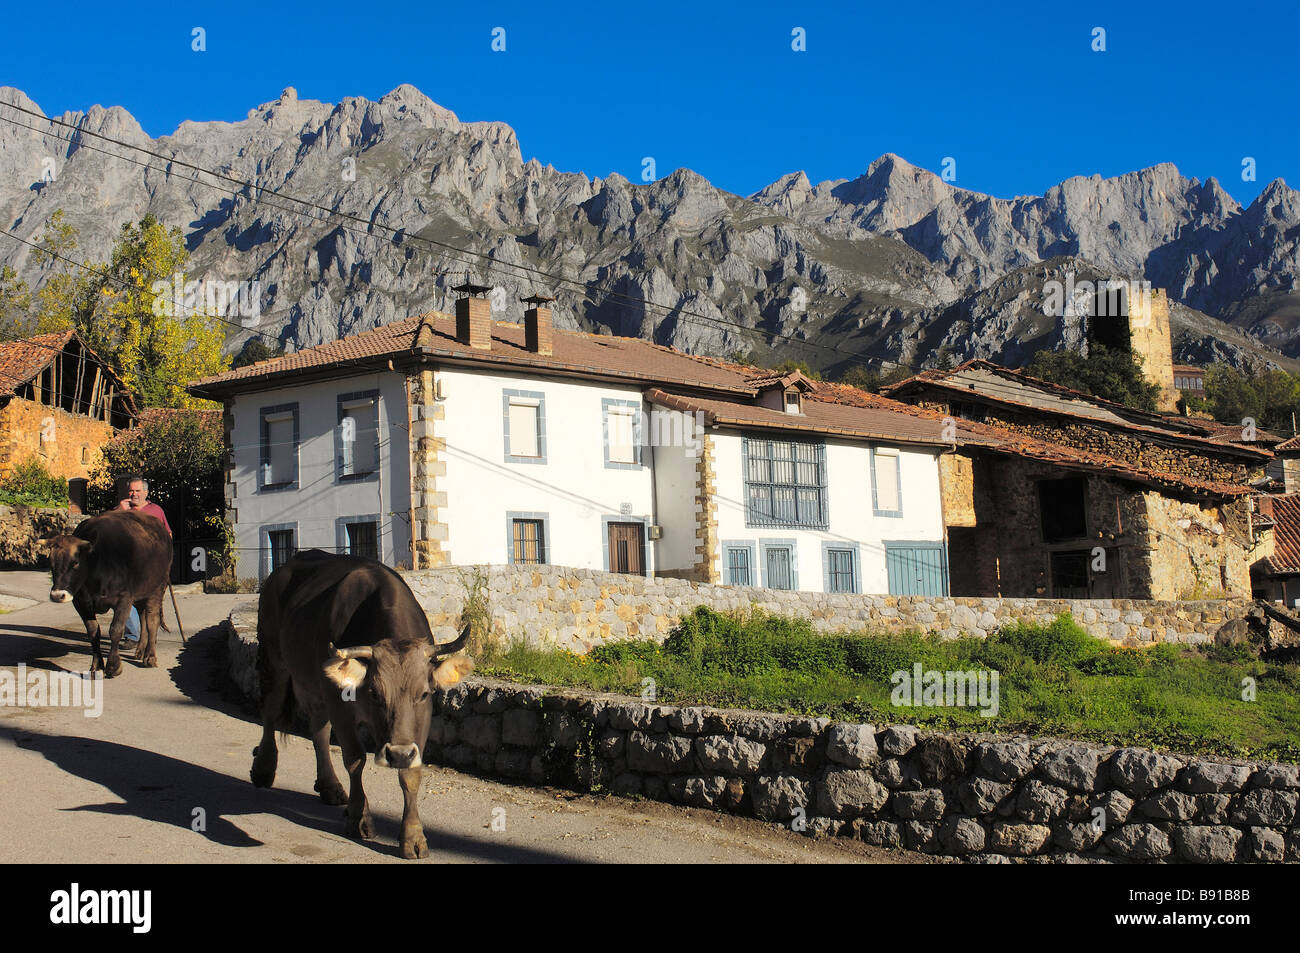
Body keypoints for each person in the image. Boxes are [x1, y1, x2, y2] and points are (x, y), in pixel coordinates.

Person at [117, 476, 172, 643]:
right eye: (131, 491)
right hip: (126, 565)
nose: (134, 494)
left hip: (151, 565)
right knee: (123, 599)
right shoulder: (122, 510)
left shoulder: (156, 510)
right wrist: (119, 511)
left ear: (146, 492)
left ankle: (146, 638)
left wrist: (166, 561)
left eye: (137, 491)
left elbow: (168, 534)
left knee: (149, 603)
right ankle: (132, 635)